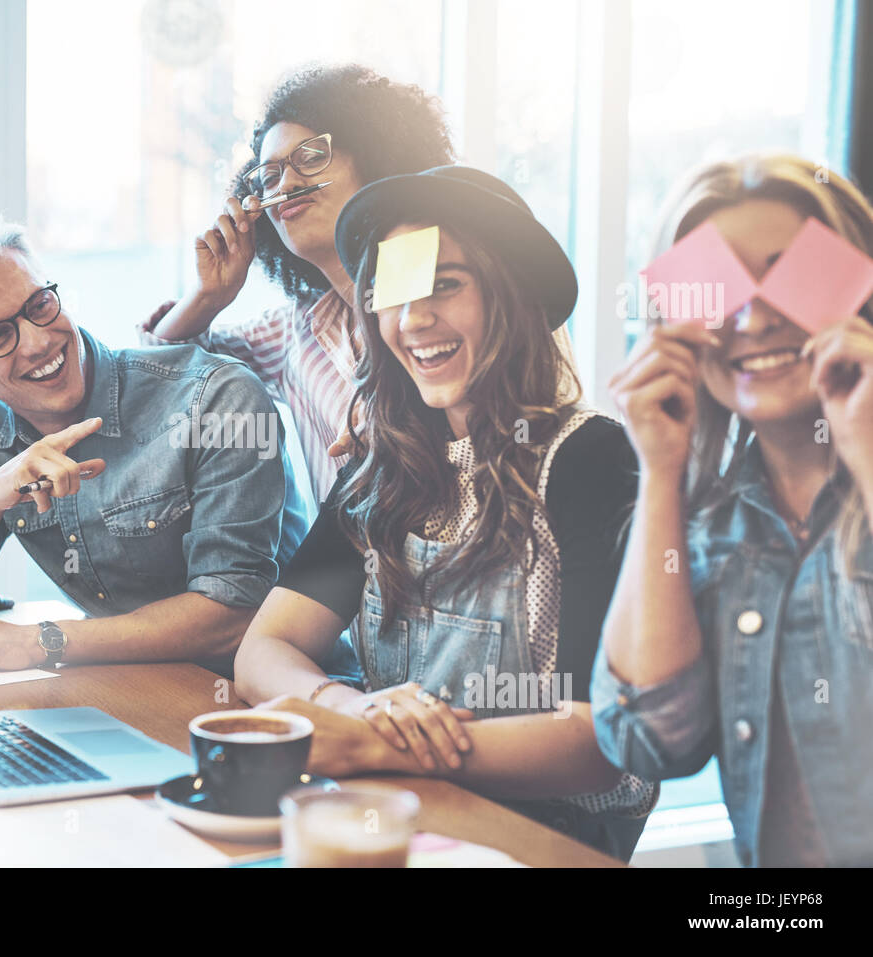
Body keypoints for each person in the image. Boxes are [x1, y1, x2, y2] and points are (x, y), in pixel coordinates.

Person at [234, 166, 656, 859]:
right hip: (401, 813)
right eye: (392, 295)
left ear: (509, 294)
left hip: (542, 840)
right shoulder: (384, 467)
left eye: (446, 285)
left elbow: (598, 742)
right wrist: (351, 708)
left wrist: (375, 744)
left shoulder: (591, 459)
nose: (414, 320)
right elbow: (262, 651)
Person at [592, 155, 873, 867]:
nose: (755, 316)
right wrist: (661, 470)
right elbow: (646, 738)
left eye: (788, 277)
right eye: (720, 291)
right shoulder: (709, 531)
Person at [0, 217, 304, 676]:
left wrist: (44, 641)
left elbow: (233, 616)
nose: (38, 341)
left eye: (39, 305)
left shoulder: (215, 398)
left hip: (264, 698)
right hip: (125, 690)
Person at [139, 64, 455, 504]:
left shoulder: (449, 283)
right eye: (269, 178)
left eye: (310, 157)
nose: (286, 183)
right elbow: (158, 379)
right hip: (352, 551)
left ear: (376, 157)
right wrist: (208, 296)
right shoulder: (294, 332)